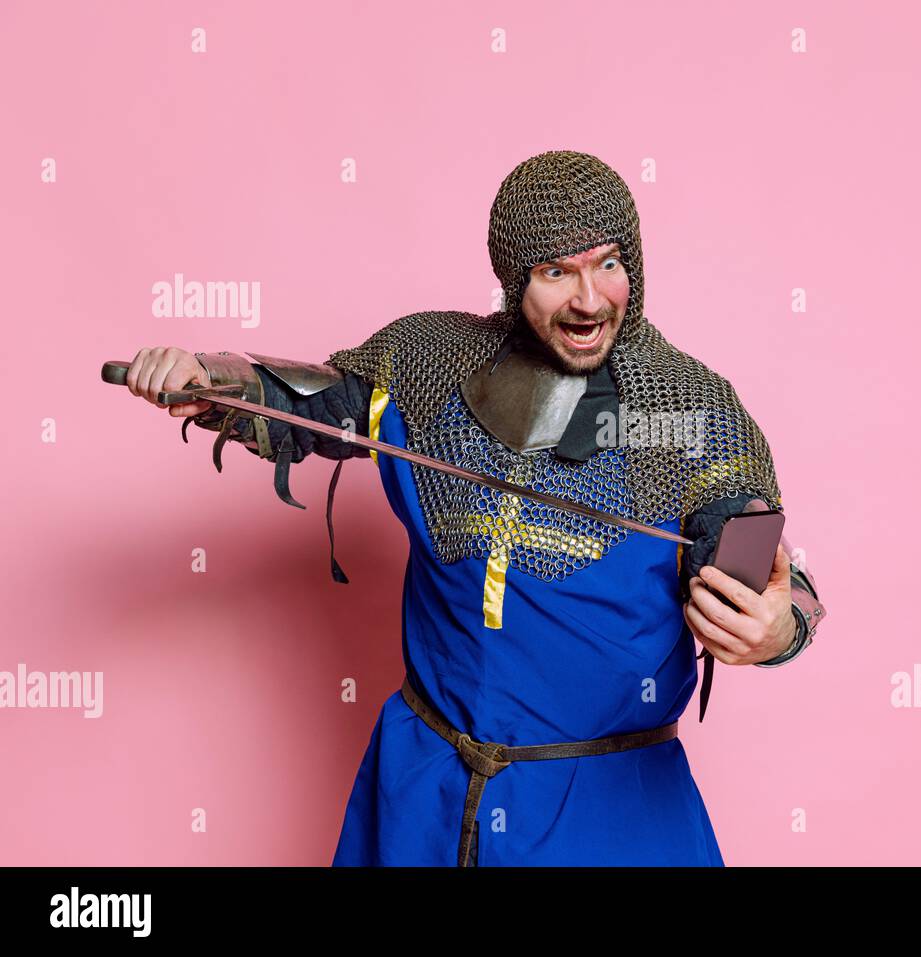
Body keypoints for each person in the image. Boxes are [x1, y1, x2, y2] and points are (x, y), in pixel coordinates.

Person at [122, 150, 826, 866]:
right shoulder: (432, 362)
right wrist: (210, 378)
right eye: (557, 273)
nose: (588, 299)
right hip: (424, 793)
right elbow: (311, 403)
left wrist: (779, 624)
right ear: (514, 276)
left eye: (607, 265)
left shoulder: (690, 411)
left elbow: (764, 572)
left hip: (607, 814)